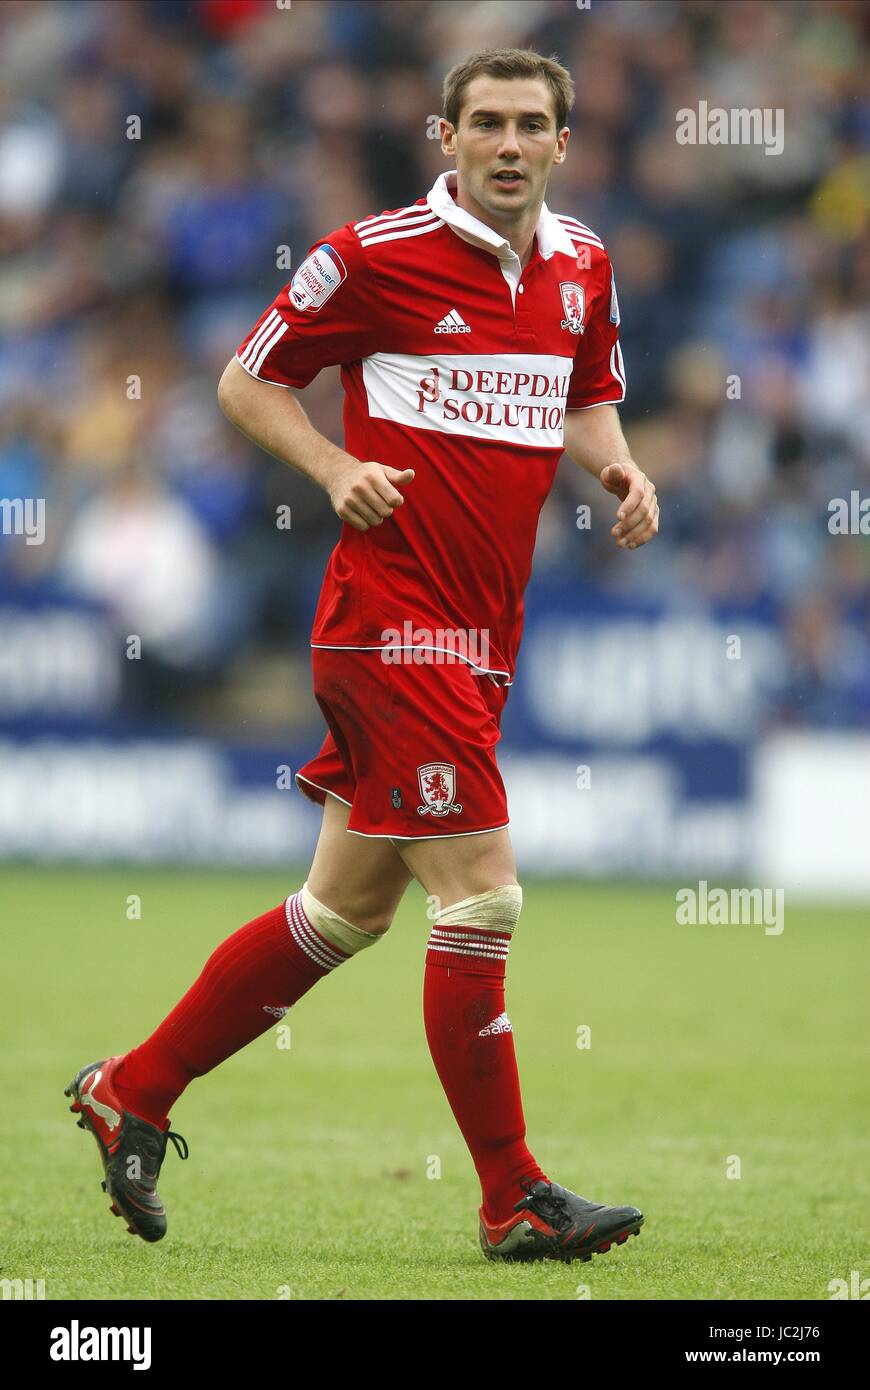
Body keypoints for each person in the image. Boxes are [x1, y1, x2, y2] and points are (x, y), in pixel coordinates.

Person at [66, 47, 658, 1265]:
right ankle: (511, 1195)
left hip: (482, 630)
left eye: (529, 124)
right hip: (391, 625)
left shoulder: (584, 263)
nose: (506, 142)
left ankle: (134, 1086)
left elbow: (583, 394)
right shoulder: (372, 254)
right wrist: (335, 468)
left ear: (560, 141)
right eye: (483, 121)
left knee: (340, 913)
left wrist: (615, 465)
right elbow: (246, 383)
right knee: (483, 891)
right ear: (445, 136)